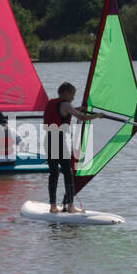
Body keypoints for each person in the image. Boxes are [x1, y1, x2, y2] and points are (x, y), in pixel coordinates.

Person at [43, 82, 100, 213]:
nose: (73, 98)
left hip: (48, 140)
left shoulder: (52, 102)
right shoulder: (66, 105)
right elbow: (82, 118)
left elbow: (65, 111)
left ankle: (52, 206)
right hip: (59, 141)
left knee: (54, 173)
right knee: (68, 173)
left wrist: (77, 109)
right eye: (72, 95)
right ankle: (70, 206)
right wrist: (97, 116)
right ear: (66, 93)